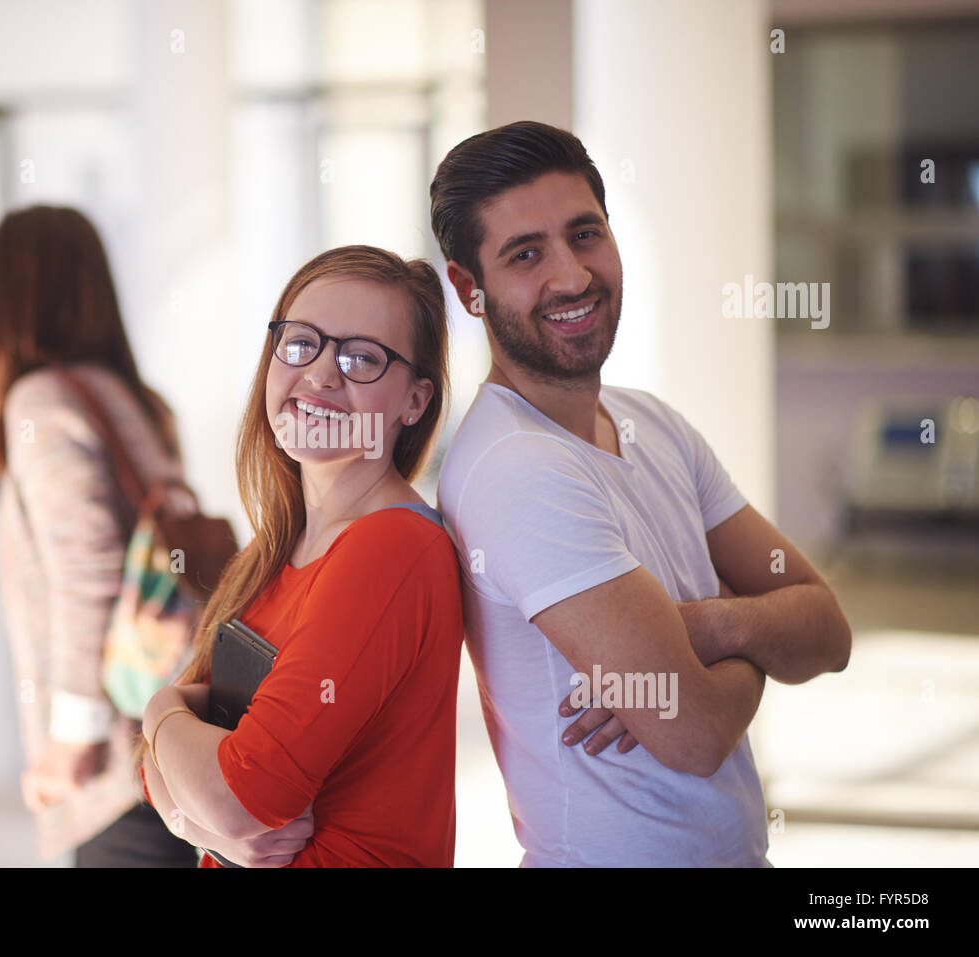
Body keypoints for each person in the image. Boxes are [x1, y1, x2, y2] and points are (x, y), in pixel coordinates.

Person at [430, 121, 853, 866]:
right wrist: (753, 632)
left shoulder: (652, 423)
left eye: (584, 234)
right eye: (525, 254)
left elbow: (827, 630)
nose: (570, 276)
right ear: (470, 288)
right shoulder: (516, 466)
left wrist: (703, 627)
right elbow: (691, 734)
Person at [137, 245, 463, 868]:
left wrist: (160, 710)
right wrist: (195, 818)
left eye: (362, 358)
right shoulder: (277, 547)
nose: (320, 373)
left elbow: (239, 797)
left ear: (415, 402)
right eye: (301, 343)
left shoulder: (392, 548)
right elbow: (158, 782)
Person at [0, 205, 198, 867]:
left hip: (117, 764)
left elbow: (88, 575)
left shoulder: (41, 403)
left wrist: (72, 736)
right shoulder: (129, 397)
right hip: (173, 727)